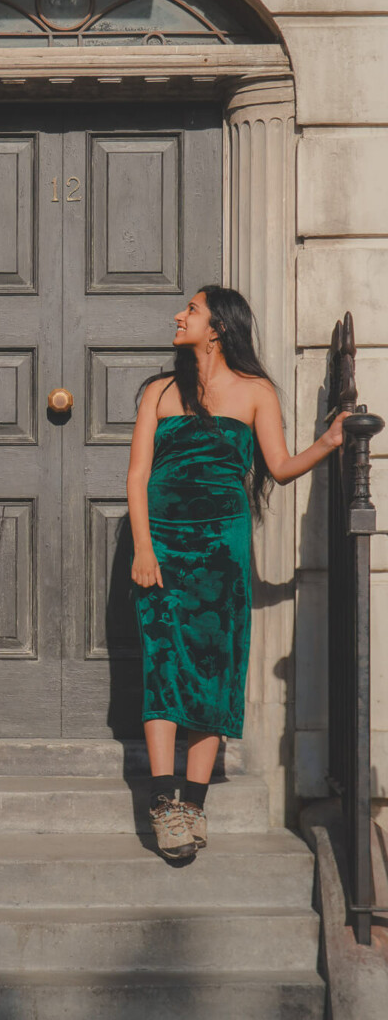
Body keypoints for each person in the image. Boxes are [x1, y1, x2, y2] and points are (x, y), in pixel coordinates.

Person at [127, 285, 351, 860]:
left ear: (219, 327)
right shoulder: (158, 391)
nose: (180, 316)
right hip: (164, 550)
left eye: (192, 310)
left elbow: (277, 468)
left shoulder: (255, 393)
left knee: (212, 669)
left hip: (223, 553)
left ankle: (194, 807)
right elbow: (136, 477)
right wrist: (143, 549)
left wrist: (328, 441)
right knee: (163, 667)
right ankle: (162, 804)